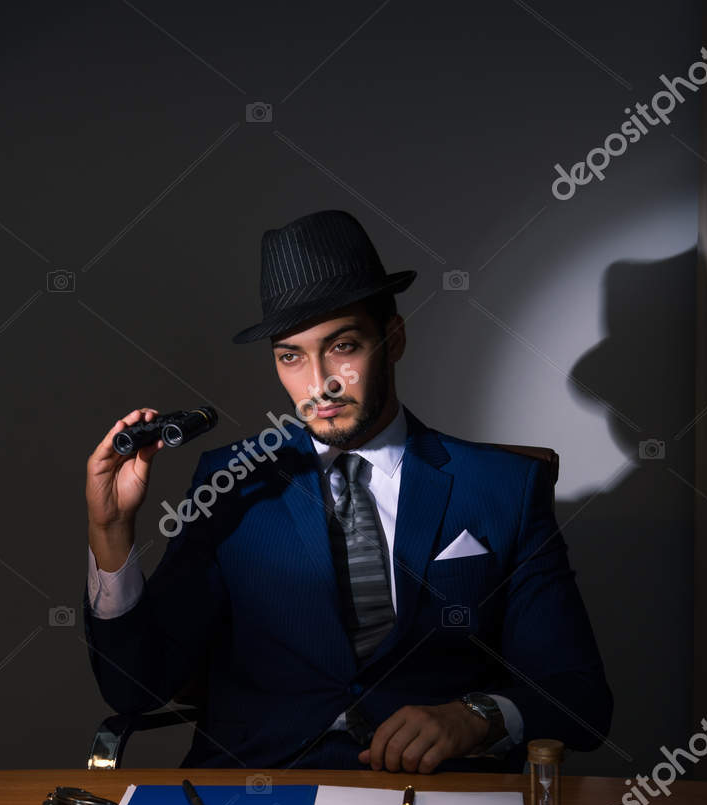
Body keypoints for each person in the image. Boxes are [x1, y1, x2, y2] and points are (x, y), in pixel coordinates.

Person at [82, 209, 611, 774]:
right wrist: (111, 531)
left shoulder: (502, 486)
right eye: (291, 356)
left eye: (343, 346)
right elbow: (135, 690)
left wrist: (477, 716)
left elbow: (579, 698)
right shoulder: (230, 481)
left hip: (431, 797)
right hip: (261, 791)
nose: (320, 385)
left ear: (393, 339)